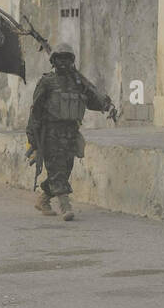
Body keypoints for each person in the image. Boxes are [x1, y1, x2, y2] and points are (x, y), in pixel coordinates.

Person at [27, 44, 115, 221]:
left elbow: (92, 100)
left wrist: (107, 105)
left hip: (71, 133)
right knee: (57, 170)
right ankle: (65, 206)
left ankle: (43, 200)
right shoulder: (47, 82)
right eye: (60, 58)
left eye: (67, 58)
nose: (63, 62)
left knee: (64, 170)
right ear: (53, 61)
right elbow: (35, 111)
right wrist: (32, 140)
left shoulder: (77, 82)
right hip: (51, 133)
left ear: (72, 61)